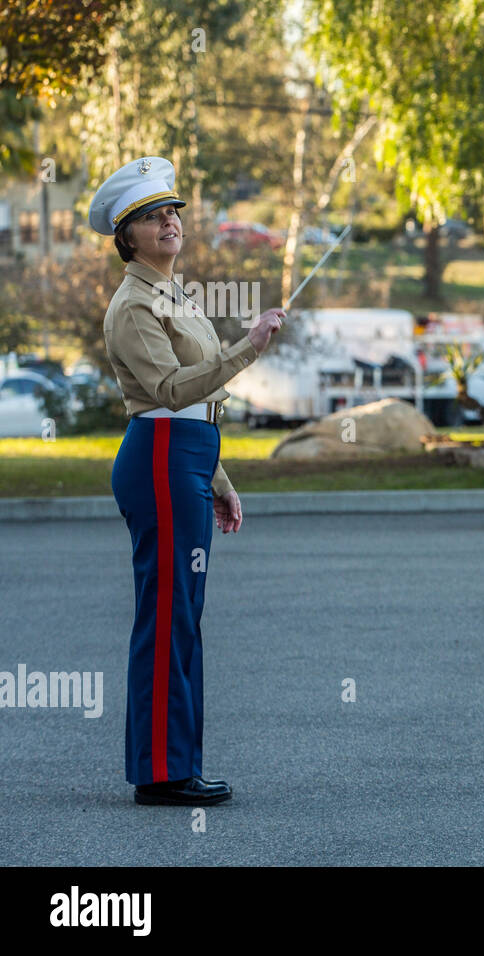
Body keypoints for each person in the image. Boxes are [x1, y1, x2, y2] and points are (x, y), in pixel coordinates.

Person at [90, 156, 285, 804]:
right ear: (128, 236)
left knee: (184, 616)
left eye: (172, 210)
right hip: (160, 456)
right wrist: (249, 346)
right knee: (169, 616)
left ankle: (175, 763)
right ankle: (161, 773)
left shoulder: (175, 294)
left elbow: (195, 405)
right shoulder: (133, 305)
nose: (169, 221)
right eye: (152, 216)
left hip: (188, 454)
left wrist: (221, 479)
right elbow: (170, 391)